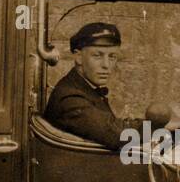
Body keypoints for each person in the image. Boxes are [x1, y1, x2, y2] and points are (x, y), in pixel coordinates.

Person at [44, 21, 171, 150]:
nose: (106, 65)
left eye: (112, 57)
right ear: (79, 57)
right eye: (97, 56)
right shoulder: (70, 98)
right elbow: (116, 135)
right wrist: (159, 128)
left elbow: (112, 125)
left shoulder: (84, 88)